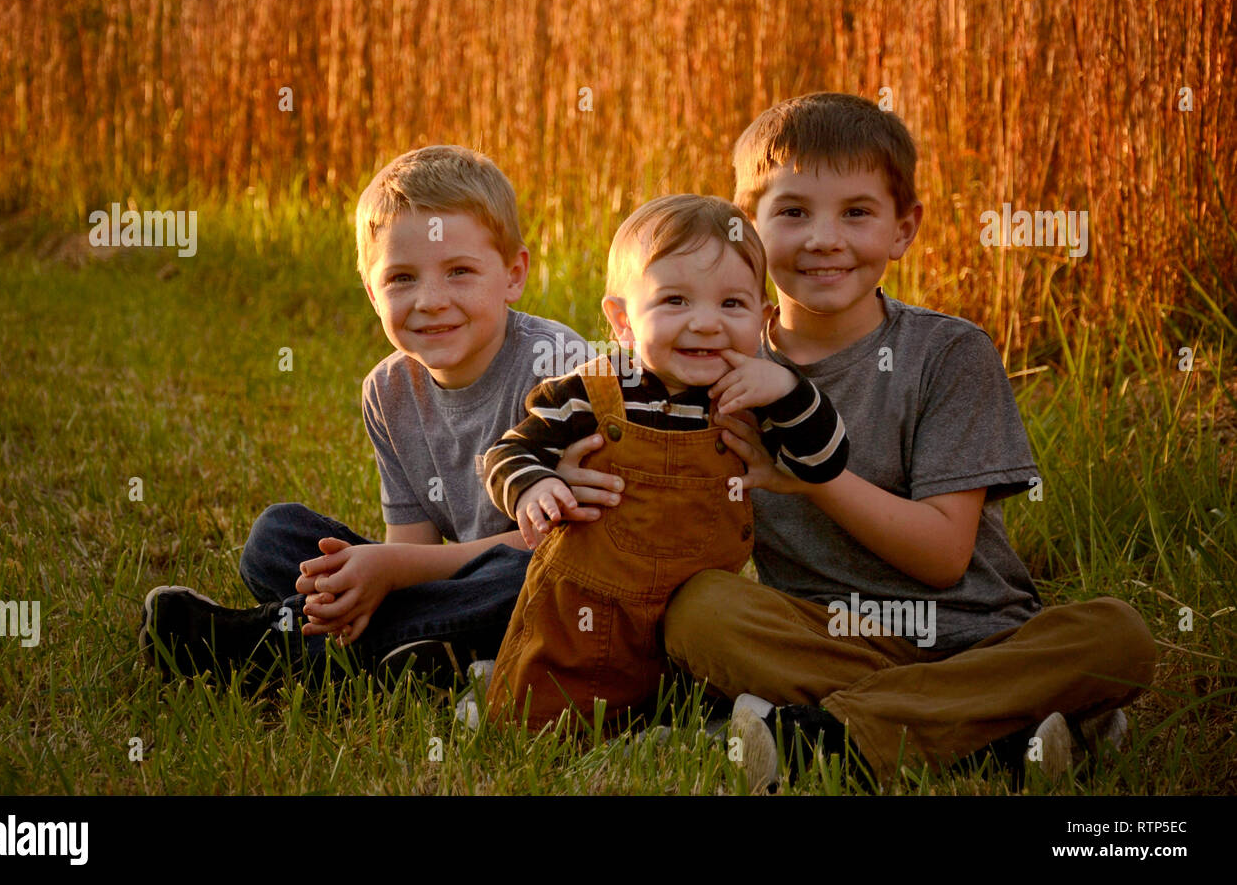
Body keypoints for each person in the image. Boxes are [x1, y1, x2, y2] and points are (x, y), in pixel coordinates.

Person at [657, 93, 1157, 790]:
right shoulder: (721, 364)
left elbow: (945, 558)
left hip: (982, 637)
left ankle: (824, 741)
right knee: (701, 610)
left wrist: (812, 477)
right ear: (748, 229)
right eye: (793, 211)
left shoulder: (948, 353)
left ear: (903, 228)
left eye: (856, 213)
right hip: (832, 639)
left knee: (1117, 636)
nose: (824, 239)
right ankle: (994, 732)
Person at [138, 144, 612, 684]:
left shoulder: (559, 366)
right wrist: (379, 573)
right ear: (371, 292)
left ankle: (273, 645)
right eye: (401, 279)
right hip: (452, 589)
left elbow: (566, 540)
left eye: (459, 271)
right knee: (275, 539)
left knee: (523, 579)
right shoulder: (388, 391)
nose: (431, 299)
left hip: (554, 589)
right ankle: (415, 651)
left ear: (513, 273)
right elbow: (412, 551)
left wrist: (389, 571)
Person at [480, 194, 848, 730]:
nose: (705, 324)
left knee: (686, 715)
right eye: (675, 301)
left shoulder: (750, 398)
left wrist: (789, 387)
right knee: (544, 720)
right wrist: (534, 487)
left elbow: (823, 463)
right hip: (583, 619)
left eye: (732, 305)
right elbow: (506, 453)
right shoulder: (591, 392)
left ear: (764, 319)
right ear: (623, 319)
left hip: (691, 621)